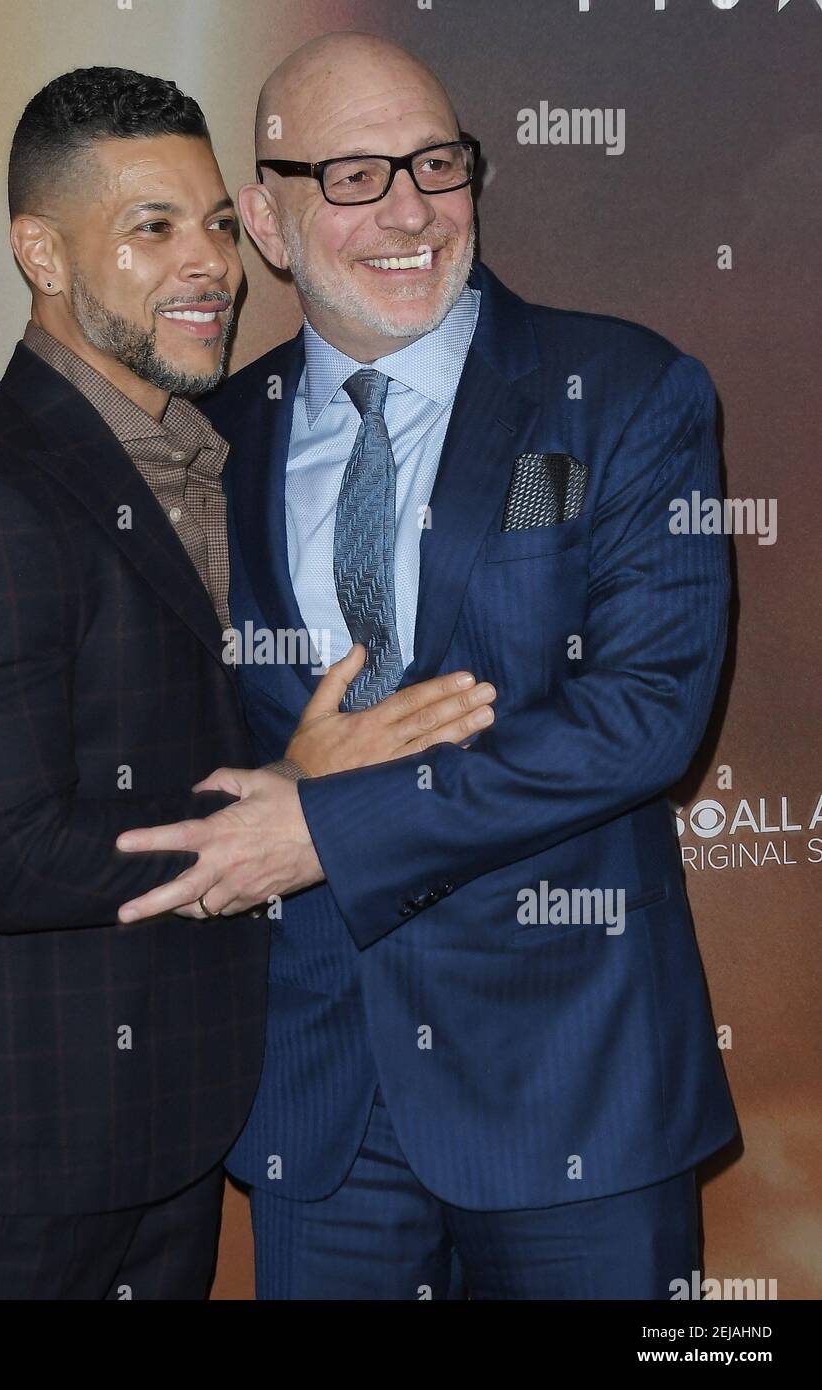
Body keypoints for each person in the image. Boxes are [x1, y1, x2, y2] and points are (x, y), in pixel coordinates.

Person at [0, 63, 495, 1301]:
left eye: (220, 225)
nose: (211, 267)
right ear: (41, 254)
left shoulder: (222, 454)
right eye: (151, 228)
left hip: (168, 1130)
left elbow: (58, 732)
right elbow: (14, 856)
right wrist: (295, 794)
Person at [114, 33, 740, 1299]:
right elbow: (133, 709)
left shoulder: (621, 391)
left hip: (579, 1104)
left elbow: (645, 715)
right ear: (268, 221)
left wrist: (333, 827)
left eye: (435, 164)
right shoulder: (205, 446)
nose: (408, 210)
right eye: (351, 174)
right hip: (319, 1107)